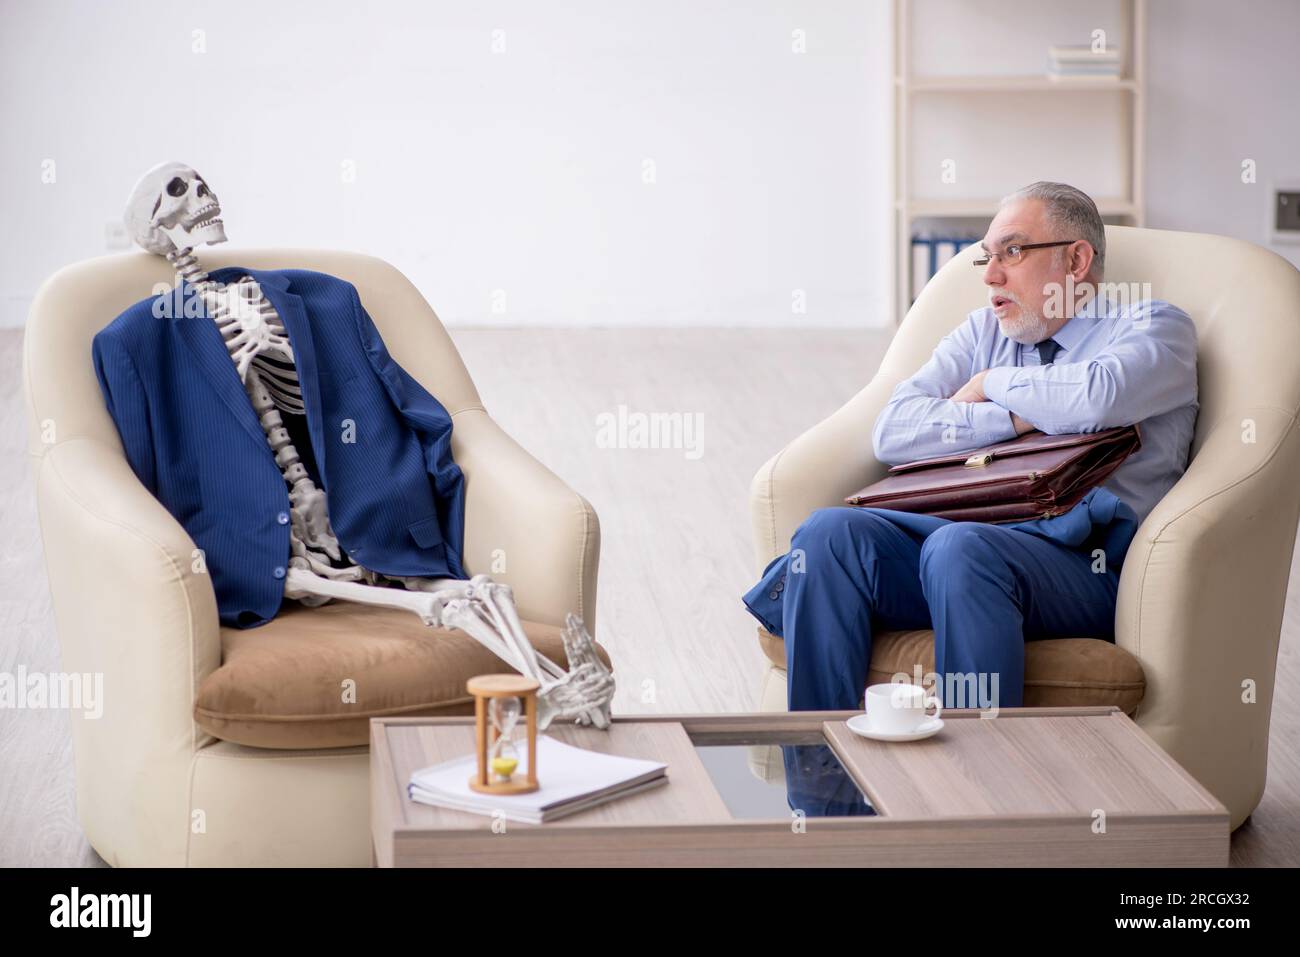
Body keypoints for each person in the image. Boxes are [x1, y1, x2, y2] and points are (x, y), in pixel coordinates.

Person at [743, 181, 1199, 711]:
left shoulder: (1154, 327)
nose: (990, 274)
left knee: (960, 548)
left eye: (1013, 251)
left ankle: (974, 788)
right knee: (829, 534)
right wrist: (1011, 418)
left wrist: (988, 384)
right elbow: (894, 429)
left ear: (1076, 260)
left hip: (1081, 568)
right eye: (986, 258)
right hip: (957, 547)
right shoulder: (983, 330)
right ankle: (827, 788)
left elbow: (1100, 395)